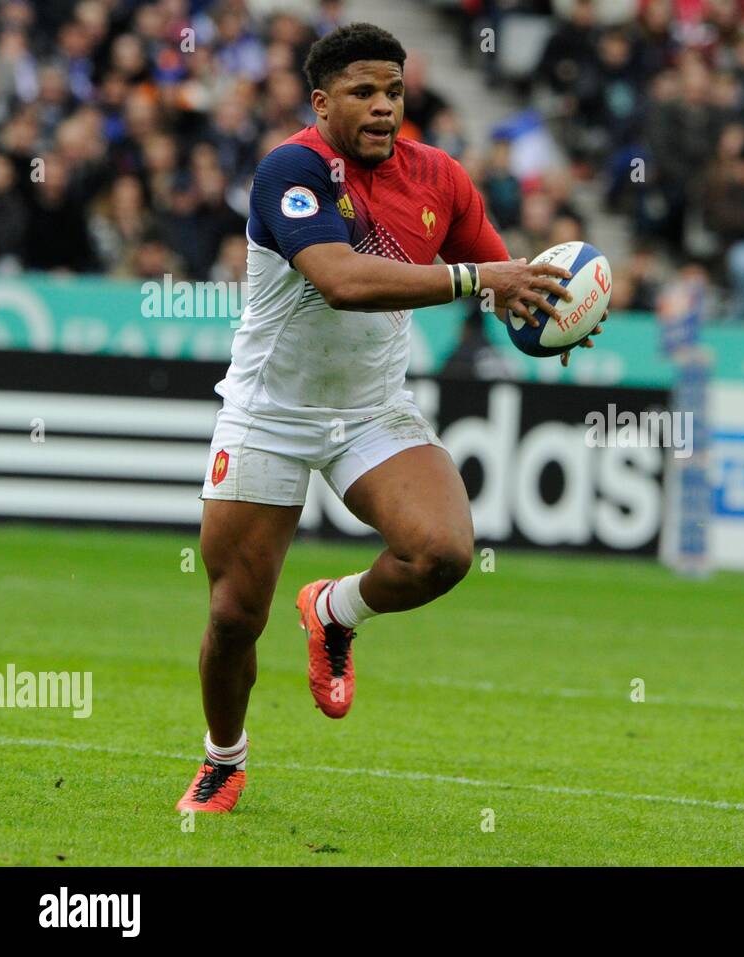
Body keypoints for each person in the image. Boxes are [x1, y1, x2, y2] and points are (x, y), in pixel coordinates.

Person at [178, 22, 603, 813]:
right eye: (363, 92)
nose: (382, 107)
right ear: (321, 101)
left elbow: (507, 286)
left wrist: (553, 317)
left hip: (371, 410)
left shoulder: (439, 176)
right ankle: (223, 756)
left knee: (442, 552)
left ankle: (334, 611)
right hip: (270, 412)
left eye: (394, 92)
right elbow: (341, 278)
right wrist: (479, 276)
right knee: (235, 615)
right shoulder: (290, 170)